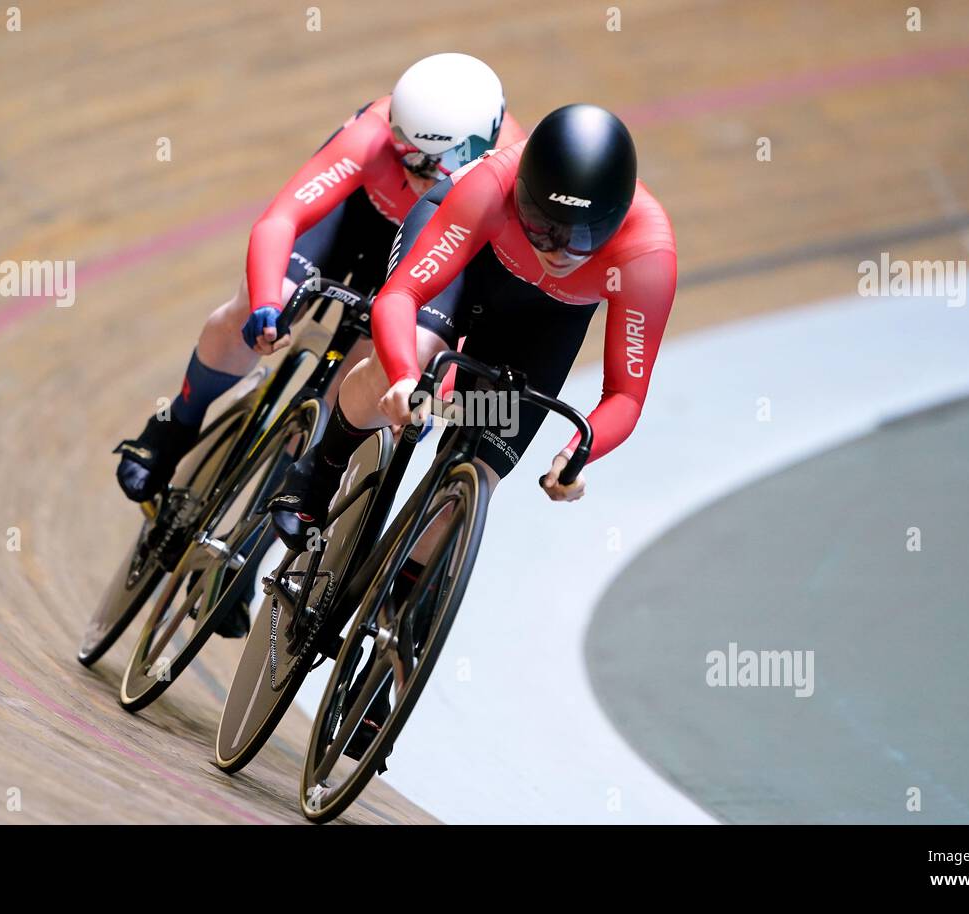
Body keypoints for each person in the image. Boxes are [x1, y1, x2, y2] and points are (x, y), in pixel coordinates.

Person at [267, 103, 677, 755]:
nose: (557, 250)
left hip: (540, 329)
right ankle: (318, 468)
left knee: (480, 464)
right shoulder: (489, 185)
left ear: (617, 224)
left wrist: (579, 452)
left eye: (580, 239)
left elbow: (625, 393)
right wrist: (402, 375)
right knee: (415, 354)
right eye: (543, 226)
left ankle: (388, 646)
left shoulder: (648, 252)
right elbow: (401, 295)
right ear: (522, 194)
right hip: (466, 272)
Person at [114, 53, 521, 504]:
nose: (422, 173)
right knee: (257, 302)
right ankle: (177, 422)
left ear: (483, 144)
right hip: (353, 225)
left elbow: (472, 306)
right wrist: (268, 303)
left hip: (431, 256)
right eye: (408, 153)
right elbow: (281, 219)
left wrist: (430, 389)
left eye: (443, 161)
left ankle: (295, 481)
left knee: (373, 376)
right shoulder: (370, 136)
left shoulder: (508, 173)